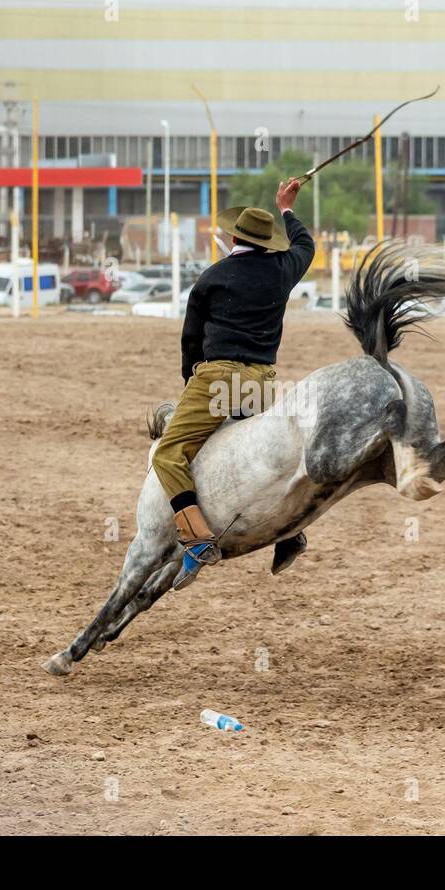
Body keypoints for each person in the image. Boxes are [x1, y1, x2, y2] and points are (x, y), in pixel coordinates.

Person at [150, 177, 315, 589]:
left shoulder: (211, 278)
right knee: (265, 461)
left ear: (234, 236)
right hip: (262, 382)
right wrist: (287, 208)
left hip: (217, 378)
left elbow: (191, 341)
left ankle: (196, 537)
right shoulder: (282, 271)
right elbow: (306, 246)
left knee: (168, 453)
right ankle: (289, 533)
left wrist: (192, 382)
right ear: (269, 242)